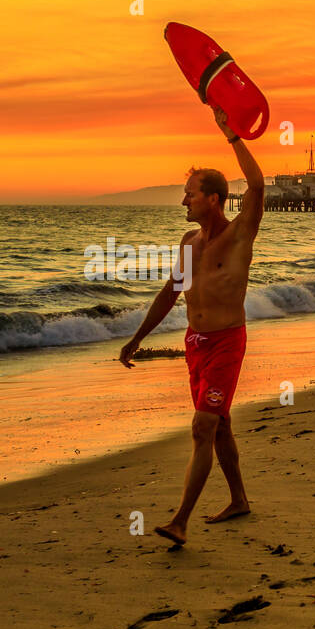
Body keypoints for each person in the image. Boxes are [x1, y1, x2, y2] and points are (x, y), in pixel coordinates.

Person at [119, 105, 264, 546]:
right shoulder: (188, 242)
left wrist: (232, 135)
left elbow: (256, 185)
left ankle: (180, 519)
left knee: (202, 427)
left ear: (214, 199)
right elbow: (170, 293)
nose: (183, 200)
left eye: (190, 193)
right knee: (218, 424)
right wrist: (136, 339)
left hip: (226, 343)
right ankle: (238, 499)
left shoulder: (240, 234)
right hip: (195, 344)